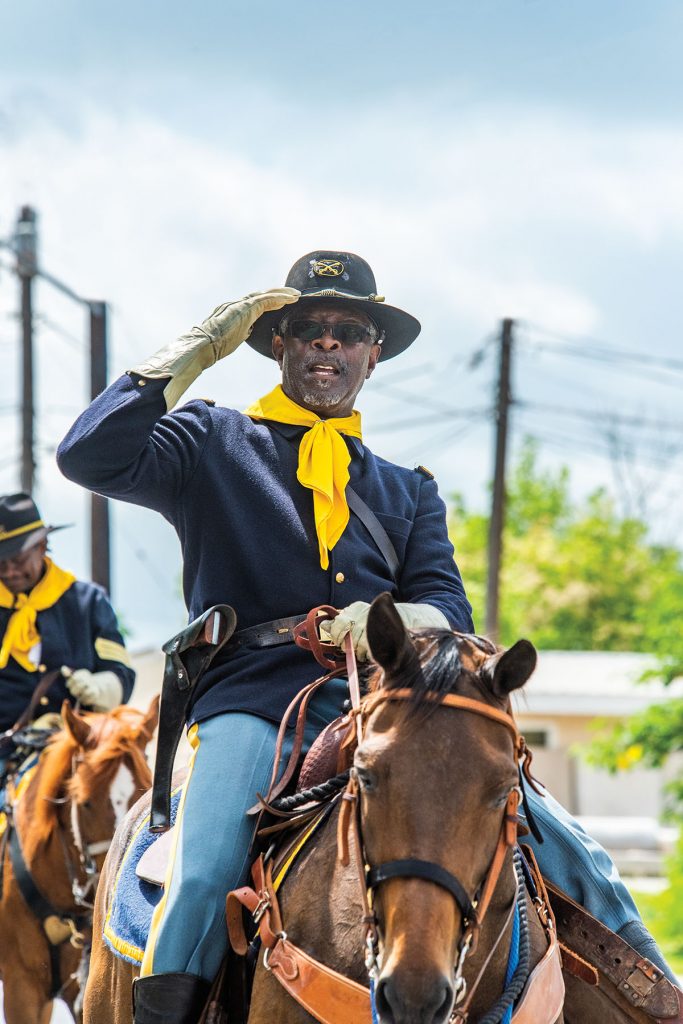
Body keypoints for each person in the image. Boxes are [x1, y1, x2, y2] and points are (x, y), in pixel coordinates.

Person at [57, 251, 677, 1023]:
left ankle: (657, 998)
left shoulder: (405, 489)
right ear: (276, 343)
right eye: (308, 329)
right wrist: (193, 351)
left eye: (347, 331)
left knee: (561, 841)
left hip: (389, 705)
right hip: (252, 701)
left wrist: (401, 623)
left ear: (371, 353)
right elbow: (89, 455)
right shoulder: (212, 441)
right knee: (206, 864)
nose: (328, 344)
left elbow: (448, 605)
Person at [0, 493, 135, 757]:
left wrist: (101, 687)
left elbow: (120, 672)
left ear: (41, 545)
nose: (8, 572)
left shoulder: (88, 602)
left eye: (16, 560)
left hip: (80, 743)